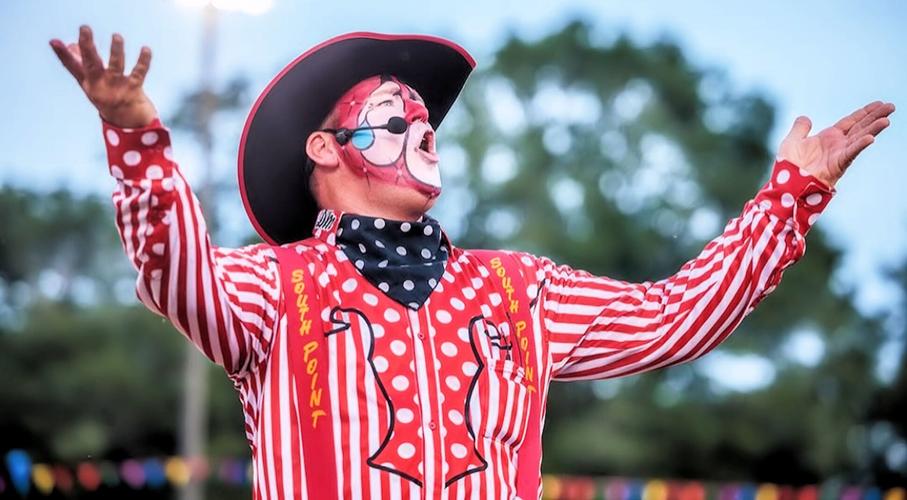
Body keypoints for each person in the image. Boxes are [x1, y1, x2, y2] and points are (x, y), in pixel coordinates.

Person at [49, 25, 894, 500]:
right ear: (325, 149)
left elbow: (671, 317)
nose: (422, 129)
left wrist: (789, 197)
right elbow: (172, 269)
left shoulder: (518, 289)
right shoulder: (271, 288)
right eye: (394, 117)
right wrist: (137, 142)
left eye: (428, 122)